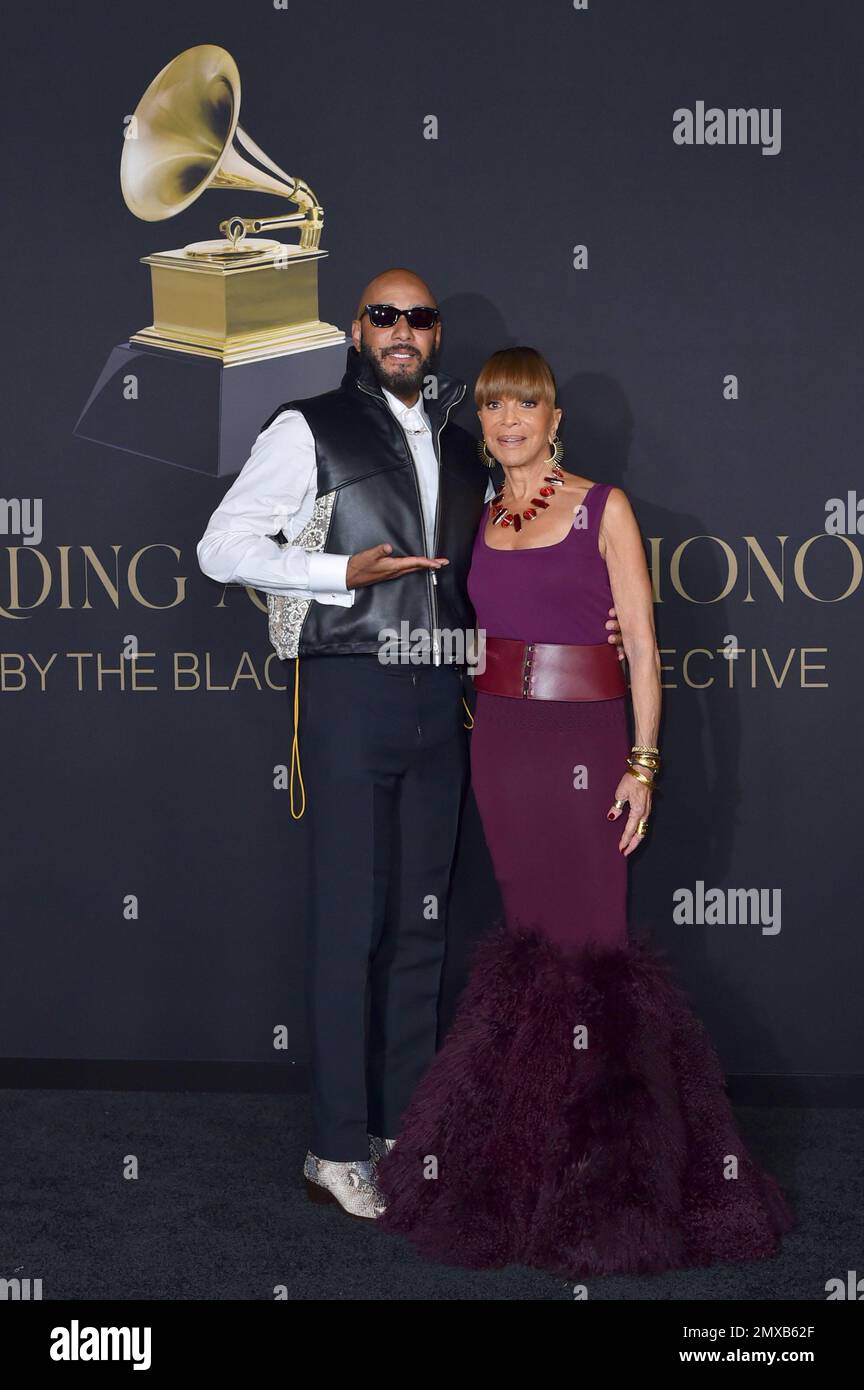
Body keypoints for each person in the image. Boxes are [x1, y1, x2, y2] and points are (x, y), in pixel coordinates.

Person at [197, 270, 628, 1218]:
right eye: (384, 316)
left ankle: (406, 1128)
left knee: (422, 927)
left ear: (435, 340)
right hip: (352, 689)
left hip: (445, 701)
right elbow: (219, 546)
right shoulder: (307, 426)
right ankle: (334, 1147)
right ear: (358, 330)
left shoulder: (468, 448)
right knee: (350, 921)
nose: (401, 330)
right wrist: (333, 570)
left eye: (419, 319)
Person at [377, 346, 794, 1275]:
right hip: (504, 748)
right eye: (493, 408)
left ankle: (617, 1183)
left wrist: (645, 764)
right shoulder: (479, 517)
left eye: (526, 404)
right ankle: (527, 1172)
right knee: (529, 950)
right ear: (480, 424)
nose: (509, 420)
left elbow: (643, 646)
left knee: (594, 953)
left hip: (589, 744)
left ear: (555, 418)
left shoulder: (605, 509)